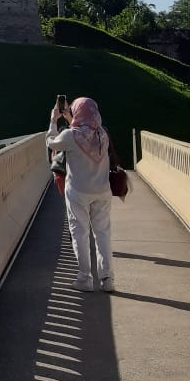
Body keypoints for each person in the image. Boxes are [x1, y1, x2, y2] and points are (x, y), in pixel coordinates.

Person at [46, 96, 115, 292]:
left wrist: (54, 120)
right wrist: (71, 118)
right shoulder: (103, 134)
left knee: (80, 233)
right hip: (102, 192)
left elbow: (52, 143)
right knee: (102, 234)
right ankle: (107, 278)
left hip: (78, 192)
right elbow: (84, 130)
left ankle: (85, 278)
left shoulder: (70, 136)